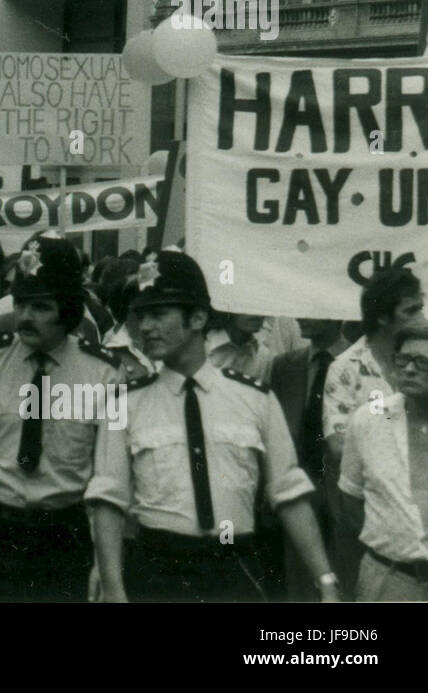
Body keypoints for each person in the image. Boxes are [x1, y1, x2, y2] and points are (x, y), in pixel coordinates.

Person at [87, 248, 339, 603]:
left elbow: (289, 494)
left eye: (159, 314)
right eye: (141, 316)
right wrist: (113, 588)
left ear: (198, 318)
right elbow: (108, 502)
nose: (145, 327)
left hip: (235, 568)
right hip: (158, 572)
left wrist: (325, 580)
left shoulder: (255, 398)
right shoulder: (124, 404)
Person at [0, 235, 120, 602]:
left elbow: (108, 480)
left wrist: (103, 562)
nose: (25, 317)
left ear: (69, 309)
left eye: (41, 307)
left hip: (62, 541)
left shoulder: (104, 375)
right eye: (22, 303)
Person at [339, 324, 428, 601]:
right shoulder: (369, 419)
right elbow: (351, 497)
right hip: (389, 578)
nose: (410, 370)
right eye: (403, 359)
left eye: (423, 362)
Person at [271, 317, 351, 600]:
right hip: (300, 487)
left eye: (312, 310)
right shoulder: (284, 366)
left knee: (346, 576)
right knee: (301, 578)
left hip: (344, 488)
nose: (301, 317)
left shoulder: (359, 363)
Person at [207, 312, 275, 382]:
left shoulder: (264, 357)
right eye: (247, 306)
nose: (258, 314)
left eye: (262, 308)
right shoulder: (205, 346)